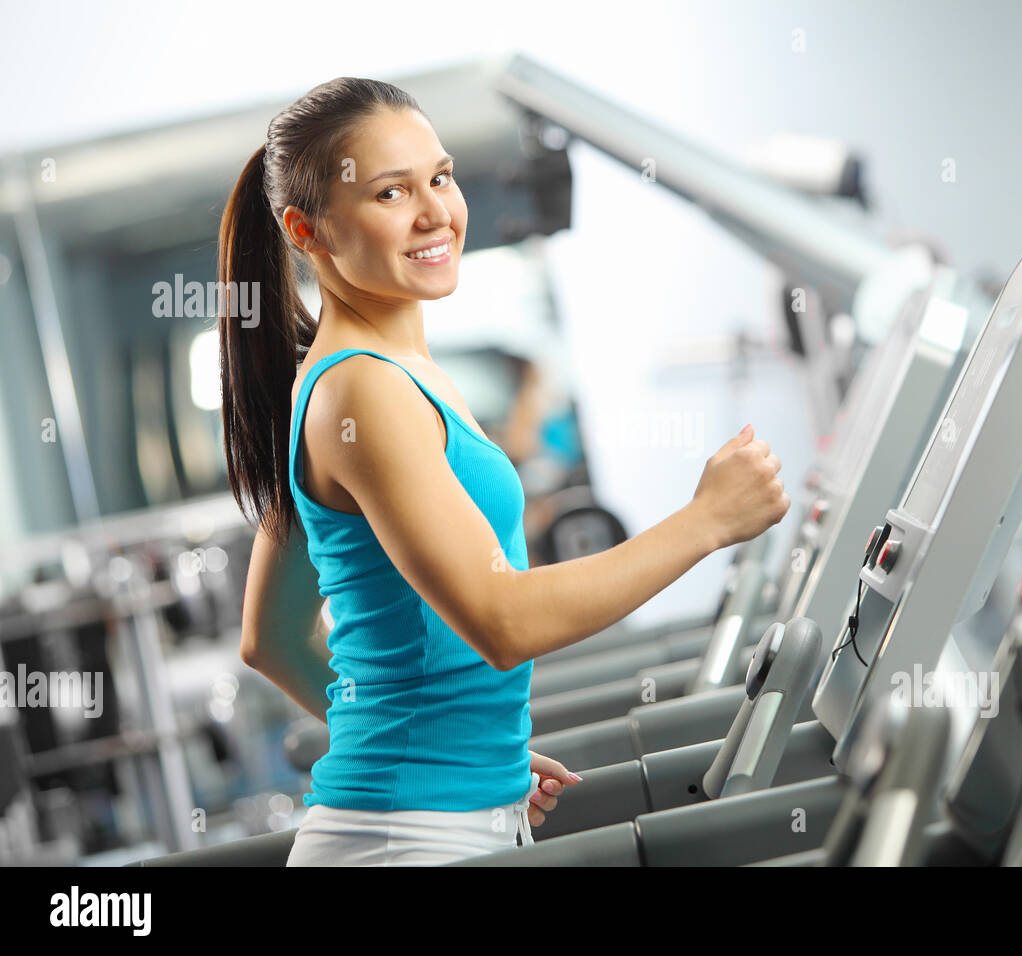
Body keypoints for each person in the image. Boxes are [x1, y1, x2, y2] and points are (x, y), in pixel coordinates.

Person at [220, 77, 789, 865]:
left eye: (440, 178)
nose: (435, 214)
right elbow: (503, 620)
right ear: (306, 230)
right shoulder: (361, 389)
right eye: (391, 193)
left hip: (428, 819)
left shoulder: (372, 374)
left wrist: (469, 750)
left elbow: (272, 638)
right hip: (404, 841)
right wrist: (705, 523)